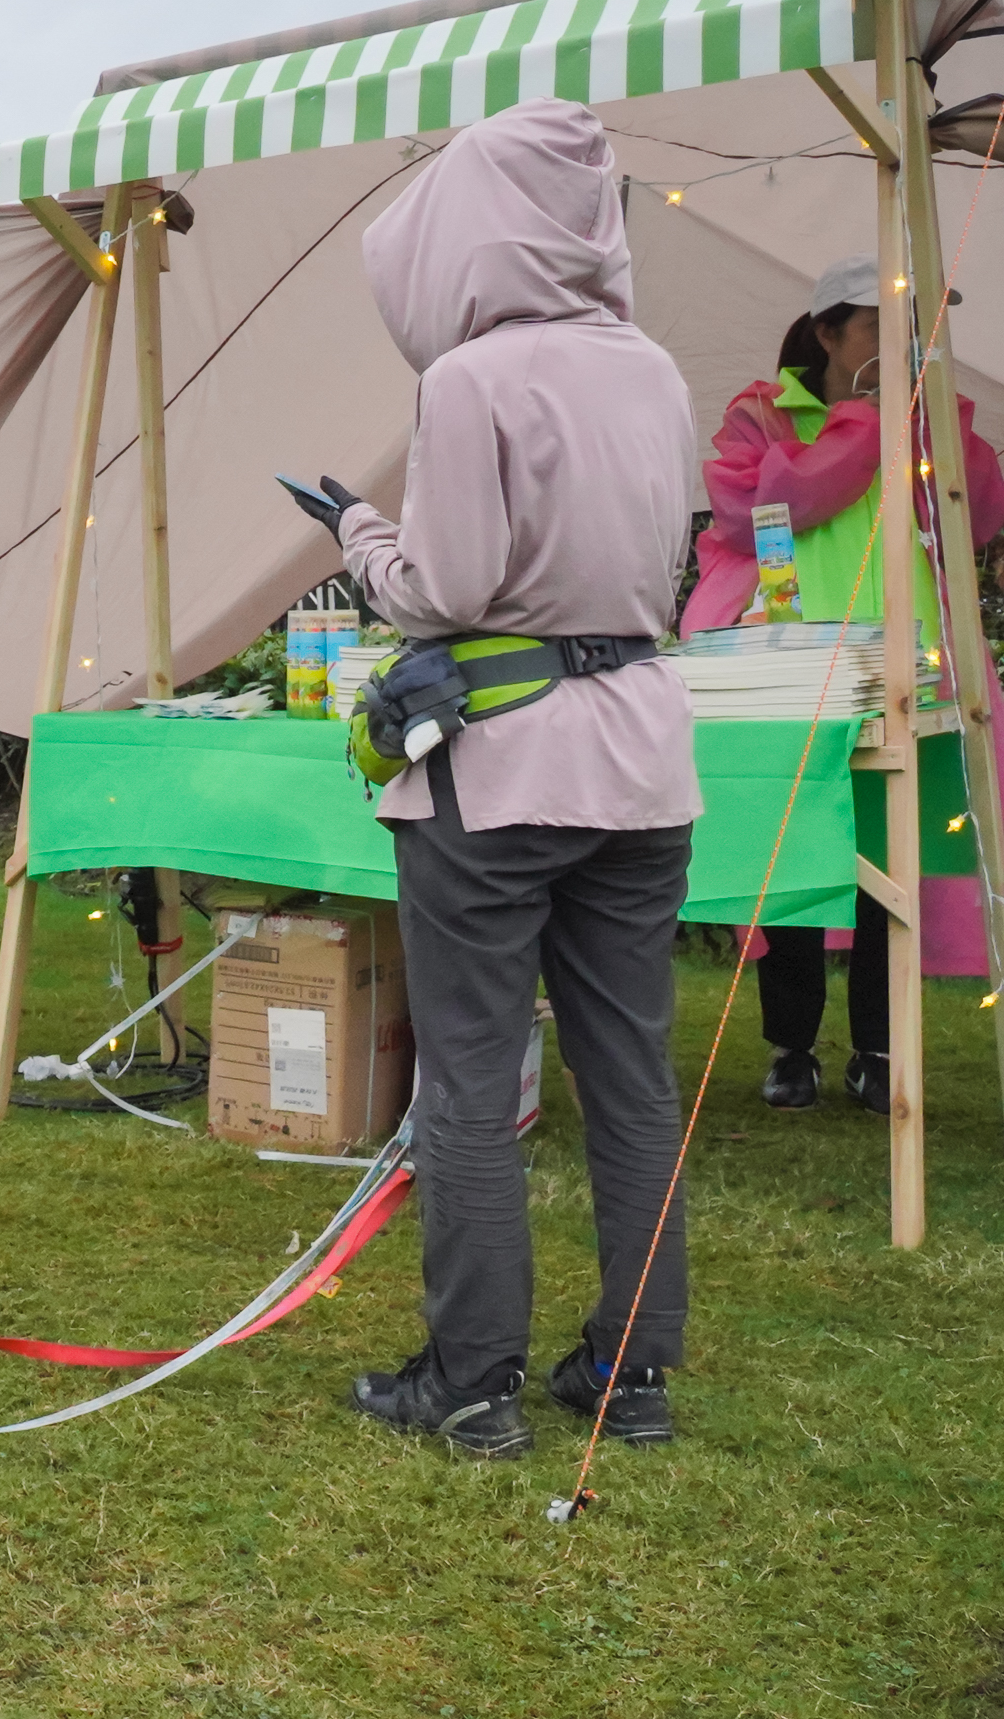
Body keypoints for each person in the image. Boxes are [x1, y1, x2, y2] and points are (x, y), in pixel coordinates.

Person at [284, 100, 700, 1457]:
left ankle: (470, 1383)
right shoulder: (655, 370)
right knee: (630, 1076)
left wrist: (357, 527)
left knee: (466, 1077)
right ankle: (630, 1378)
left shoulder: (469, 381)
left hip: (501, 771)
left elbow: (442, 595)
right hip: (642, 766)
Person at [682, 255, 1004, 1113]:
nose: (901, 345)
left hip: (908, 672)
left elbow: (982, 510)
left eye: (916, 331)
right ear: (827, 333)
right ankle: (791, 1047)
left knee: (886, 864)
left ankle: (880, 1051)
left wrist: (940, 423)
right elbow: (767, 509)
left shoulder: (928, 421)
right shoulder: (760, 417)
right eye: (878, 328)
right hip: (783, 672)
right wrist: (867, 422)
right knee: (789, 858)